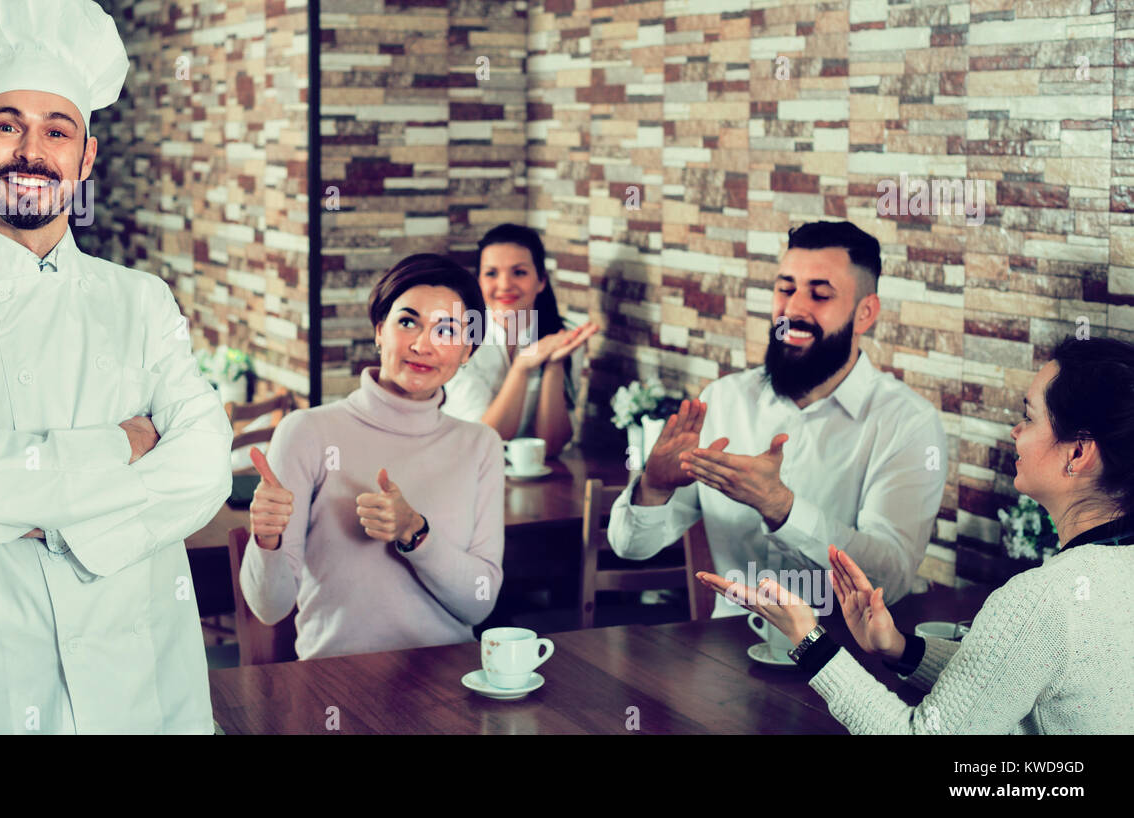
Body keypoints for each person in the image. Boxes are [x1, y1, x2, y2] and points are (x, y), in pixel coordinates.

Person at [0, 0, 232, 734]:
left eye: (58, 130)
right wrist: (124, 445)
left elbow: (203, 466)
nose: (32, 151)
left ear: (87, 157)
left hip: (146, 674)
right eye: (7, 126)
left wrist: (58, 522)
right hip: (4, 679)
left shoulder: (143, 300)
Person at [699, 336, 1134, 734]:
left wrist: (807, 639)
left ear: (1078, 452)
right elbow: (1003, 677)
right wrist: (902, 649)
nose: (1015, 432)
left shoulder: (1042, 601)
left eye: (1028, 417)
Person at [609, 220, 947, 616]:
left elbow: (890, 579)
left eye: (819, 295)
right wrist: (653, 486)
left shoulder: (908, 423)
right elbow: (630, 547)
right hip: (726, 655)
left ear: (865, 313)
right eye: (785, 289)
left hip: (847, 658)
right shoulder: (724, 400)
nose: (793, 309)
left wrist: (781, 508)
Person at [240, 254, 505, 660]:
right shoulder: (307, 432)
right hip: (336, 688)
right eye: (407, 322)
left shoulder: (480, 445)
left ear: (468, 350)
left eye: (447, 329)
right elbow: (269, 608)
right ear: (380, 331)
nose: (422, 344)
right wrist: (267, 537)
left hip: (451, 682)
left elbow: (479, 604)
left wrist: (414, 532)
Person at [440, 224, 598, 455]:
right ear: (479, 282)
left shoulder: (563, 337)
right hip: (460, 464)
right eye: (491, 273)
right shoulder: (458, 339)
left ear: (541, 280)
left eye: (519, 272)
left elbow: (551, 447)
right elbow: (487, 441)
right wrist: (522, 366)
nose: (504, 285)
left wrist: (554, 364)